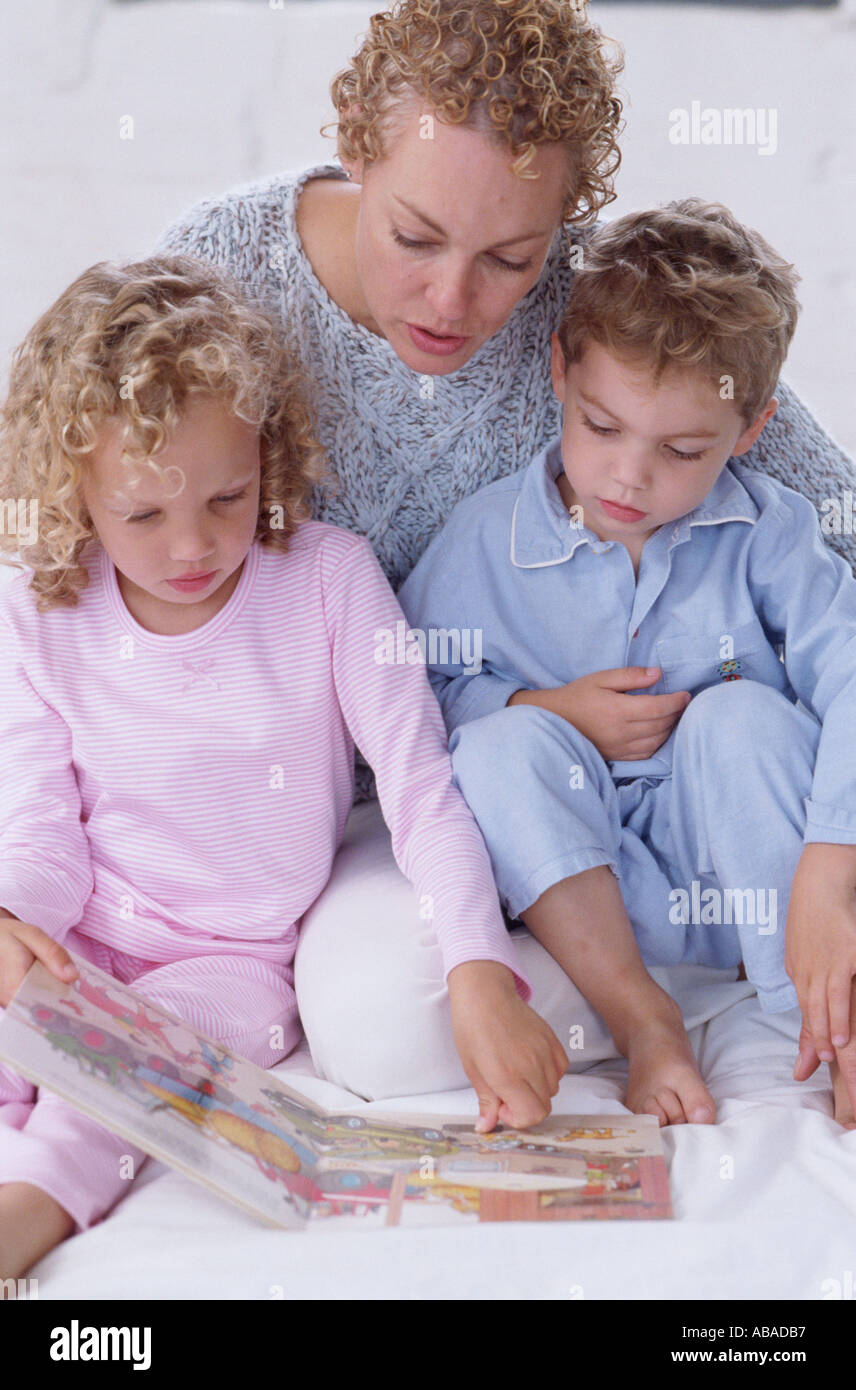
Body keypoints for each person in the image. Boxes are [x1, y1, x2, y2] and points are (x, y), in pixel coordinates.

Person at [153, 0, 855, 1100]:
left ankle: (751, 990)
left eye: (510, 258)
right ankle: (637, 992)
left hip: (680, 811)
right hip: (401, 796)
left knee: (744, 744)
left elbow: (802, 496)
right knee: (379, 1023)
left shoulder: (595, 311)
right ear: (355, 151)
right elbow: (93, 519)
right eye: (415, 237)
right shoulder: (222, 275)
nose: (452, 299)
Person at [0, 255, 570, 1280]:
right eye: (143, 515)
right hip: (76, 930)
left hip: (232, 964)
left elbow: (420, 791)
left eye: (226, 496)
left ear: (269, 451)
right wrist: (14, 922)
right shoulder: (37, 611)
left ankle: (24, 1218)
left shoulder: (329, 582)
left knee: (126, 1069)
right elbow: (37, 822)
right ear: (74, 486)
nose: (192, 545)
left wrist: (479, 967)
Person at [398, 198, 856, 1129]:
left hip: (750, 890)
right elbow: (405, 703)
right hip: (588, 895)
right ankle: (647, 1024)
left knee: (742, 717)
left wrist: (827, 868)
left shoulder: (770, 533)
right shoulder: (488, 539)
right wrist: (547, 705)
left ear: (750, 429)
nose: (629, 480)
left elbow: (847, 672)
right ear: (561, 369)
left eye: (683, 451)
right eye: (603, 428)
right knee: (495, 746)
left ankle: (828, 1023)